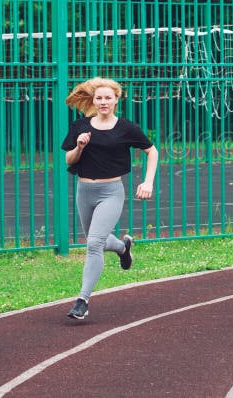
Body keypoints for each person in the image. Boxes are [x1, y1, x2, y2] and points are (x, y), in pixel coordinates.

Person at [61, 77, 159, 320]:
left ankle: (82, 300)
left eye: (108, 98)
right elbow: (69, 160)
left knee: (93, 244)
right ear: (93, 100)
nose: (103, 102)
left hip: (110, 192)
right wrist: (80, 146)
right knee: (99, 241)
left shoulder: (126, 128)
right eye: (99, 98)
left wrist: (148, 182)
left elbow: (152, 151)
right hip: (84, 191)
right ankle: (122, 247)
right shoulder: (80, 126)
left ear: (116, 100)